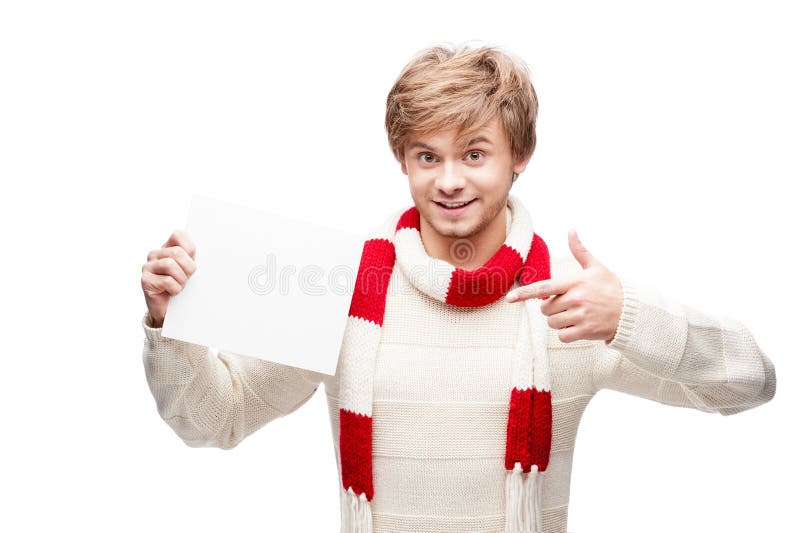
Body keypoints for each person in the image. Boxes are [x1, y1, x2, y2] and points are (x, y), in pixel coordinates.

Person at [139, 42, 777, 533]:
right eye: (428, 156)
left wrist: (629, 316)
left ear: (519, 156)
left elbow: (749, 382)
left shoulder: (572, 305)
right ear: (402, 160)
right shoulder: (339, 290)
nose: (449, 180)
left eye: (474, 154)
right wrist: (170, 325)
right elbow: (215, 419)